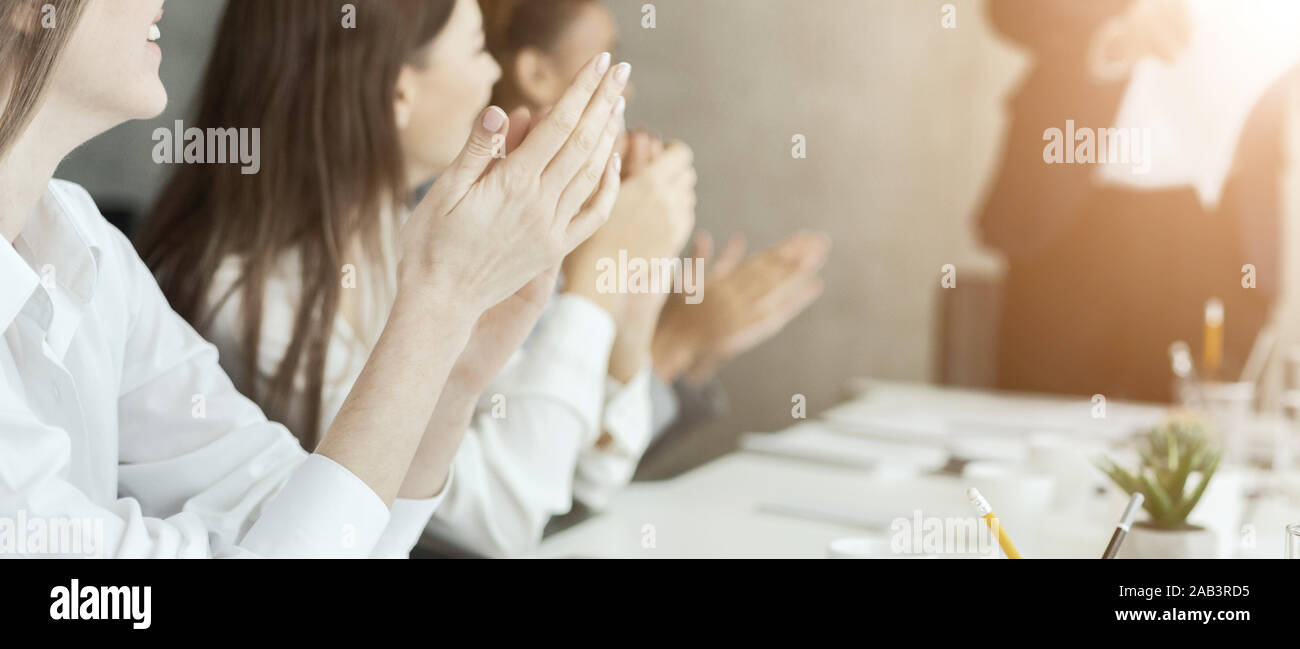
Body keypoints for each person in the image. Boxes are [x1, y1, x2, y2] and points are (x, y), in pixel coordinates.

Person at [1, 0, 622, 557]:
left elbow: (329, 525)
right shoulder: (245, 291)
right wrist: (438, 310)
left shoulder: (83, 242)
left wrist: (454, 367)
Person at [480, 0, 830, 470]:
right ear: (536, 74)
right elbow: (538, 482)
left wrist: (669, 330)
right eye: (609, 60)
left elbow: (591, 466)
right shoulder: (470, 239)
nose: (629, 90)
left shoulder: (554, 220)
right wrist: (672, 342)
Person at [980, 0, 1284, 402]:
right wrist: (1115, 27)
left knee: (1195, 431)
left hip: (1221, 229)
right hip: (1078, 215)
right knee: (1045, 419)